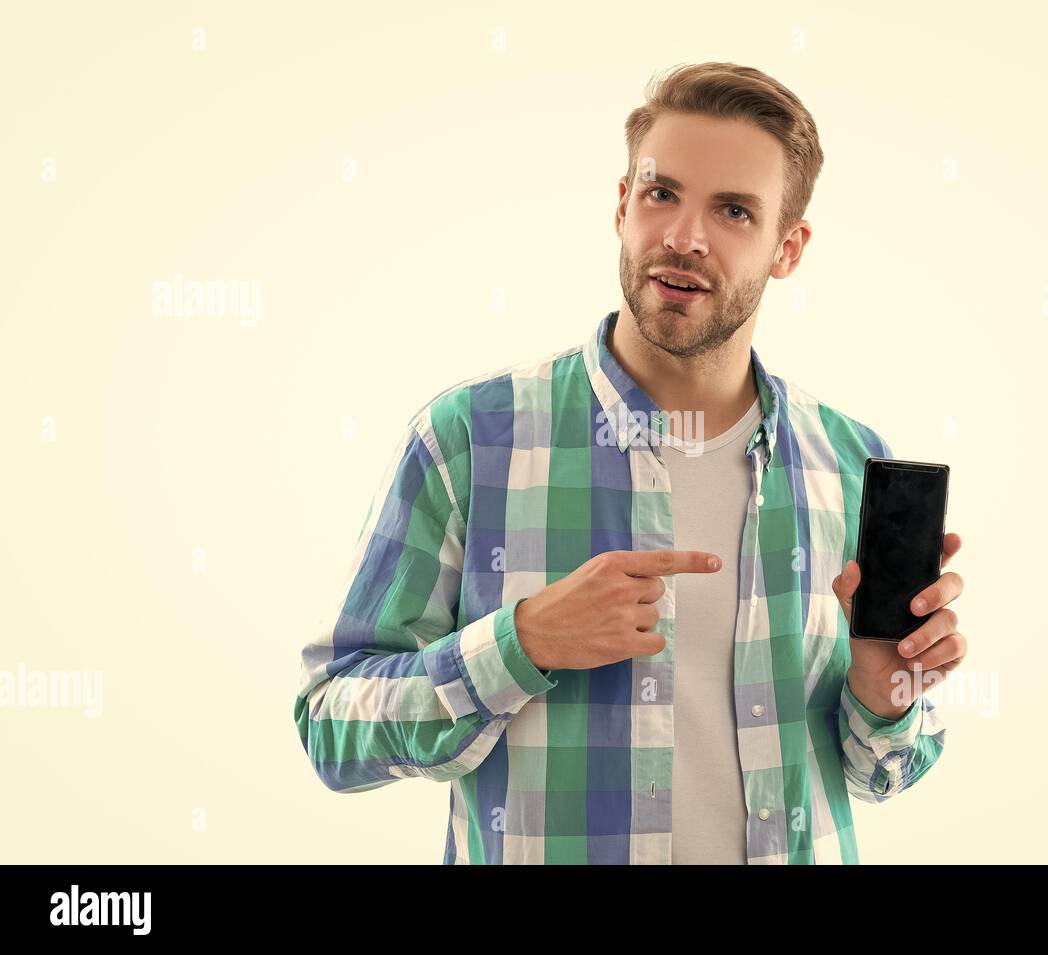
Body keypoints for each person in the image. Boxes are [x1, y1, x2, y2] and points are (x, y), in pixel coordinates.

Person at [294, 61, 967, 864]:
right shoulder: (470, 440)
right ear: (621, 204)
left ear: (788, 248)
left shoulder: (853, 465)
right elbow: (332, 727)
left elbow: (888, 771)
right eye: (661, 194)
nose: (685, 235)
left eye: (733, 211)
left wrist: (885, 687)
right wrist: (521, 644)